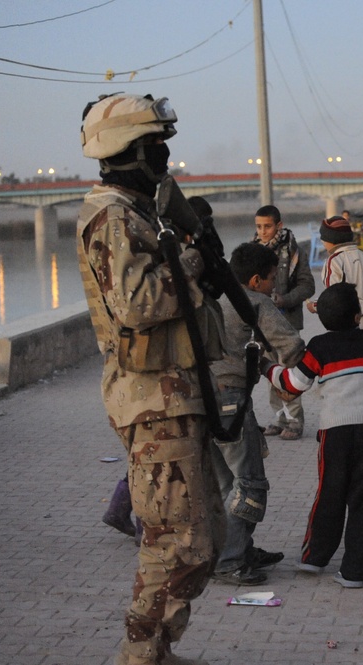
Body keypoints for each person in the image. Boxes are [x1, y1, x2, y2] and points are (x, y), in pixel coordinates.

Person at [77, 92, 225, 665]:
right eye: (155, 144)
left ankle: (155, 651)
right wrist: (191, 264)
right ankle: (139, 656)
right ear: (129, 150)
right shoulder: (112, 216)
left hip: (173, 396)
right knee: (174, 545)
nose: (164, 154)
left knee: (199, 540)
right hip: (152, 403)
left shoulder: (140, 210)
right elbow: (138, 304)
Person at [262, 281, 363, 588]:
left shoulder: (319, 346)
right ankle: (356, 572)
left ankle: (314, 557)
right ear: (357, 316)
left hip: (335, 432)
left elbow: (292, 385)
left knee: (330, 493)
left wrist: (266, 368)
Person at [208, 241, 305, 585]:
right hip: (232, 402)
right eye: (270, 280)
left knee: (225, 485)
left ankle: (237, 548)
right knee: (251, 485)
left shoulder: (213, 299)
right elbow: (292, 347)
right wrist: (290, 377)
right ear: (254, 280)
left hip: (203, 399)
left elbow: (237, 349)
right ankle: (230, 560)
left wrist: (263, 366)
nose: (273, 288)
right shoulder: (256, 302)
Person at [253, 204, 315, 441]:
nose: (262, 231)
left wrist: (284, 300)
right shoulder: (253, 251)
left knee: (289, 372)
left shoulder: (293, 250)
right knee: (270, 372)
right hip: (260, 324)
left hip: (286, 322)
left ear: (278, 225)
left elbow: (307, 285)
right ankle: (279, 419)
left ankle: (295, 422)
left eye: (267, 226)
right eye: (259, 227)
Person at [307, 215, 363, 331]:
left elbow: (334, 297)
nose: (323, 243)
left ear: (331, 240)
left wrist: (315, 306)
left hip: (346, 323)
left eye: (323, 240)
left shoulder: (334, 261)